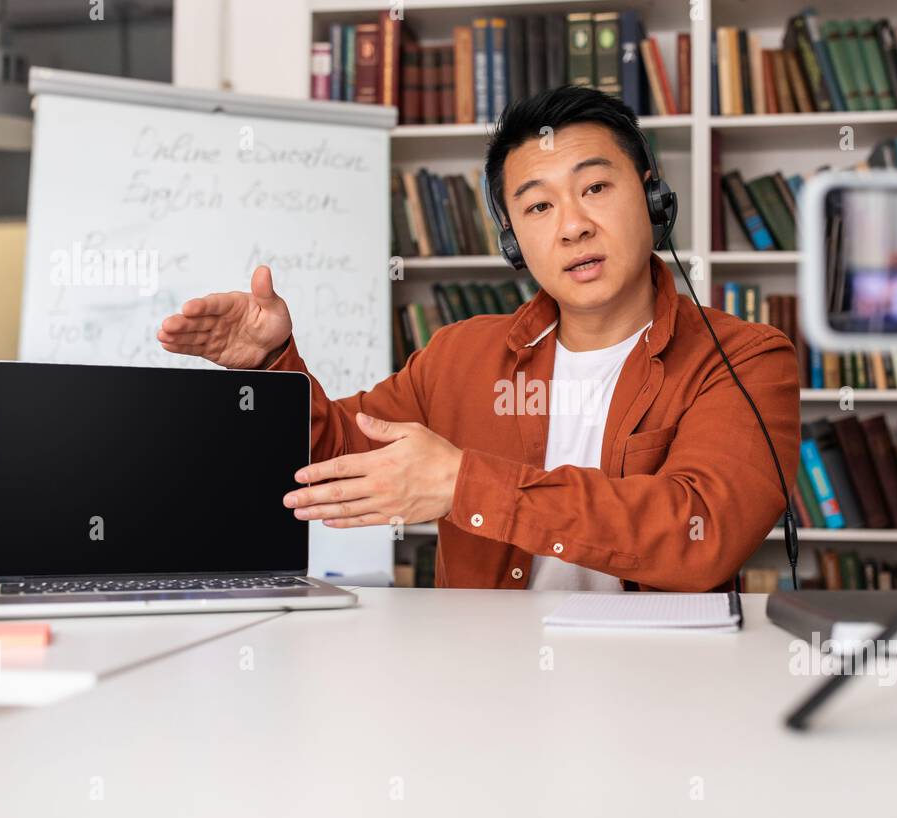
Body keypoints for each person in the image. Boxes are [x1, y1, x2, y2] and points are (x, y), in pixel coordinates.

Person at [158, 86, 800, 591]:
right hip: (481, 688)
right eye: (538, 206)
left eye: (596, 187)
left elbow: (702, 533)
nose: (573, 226)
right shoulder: (460, 356)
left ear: (653, 195)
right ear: (513, 241)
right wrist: (272, 365)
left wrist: (465, 484)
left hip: (661, 694)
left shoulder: (745, 359)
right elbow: (342, 454)